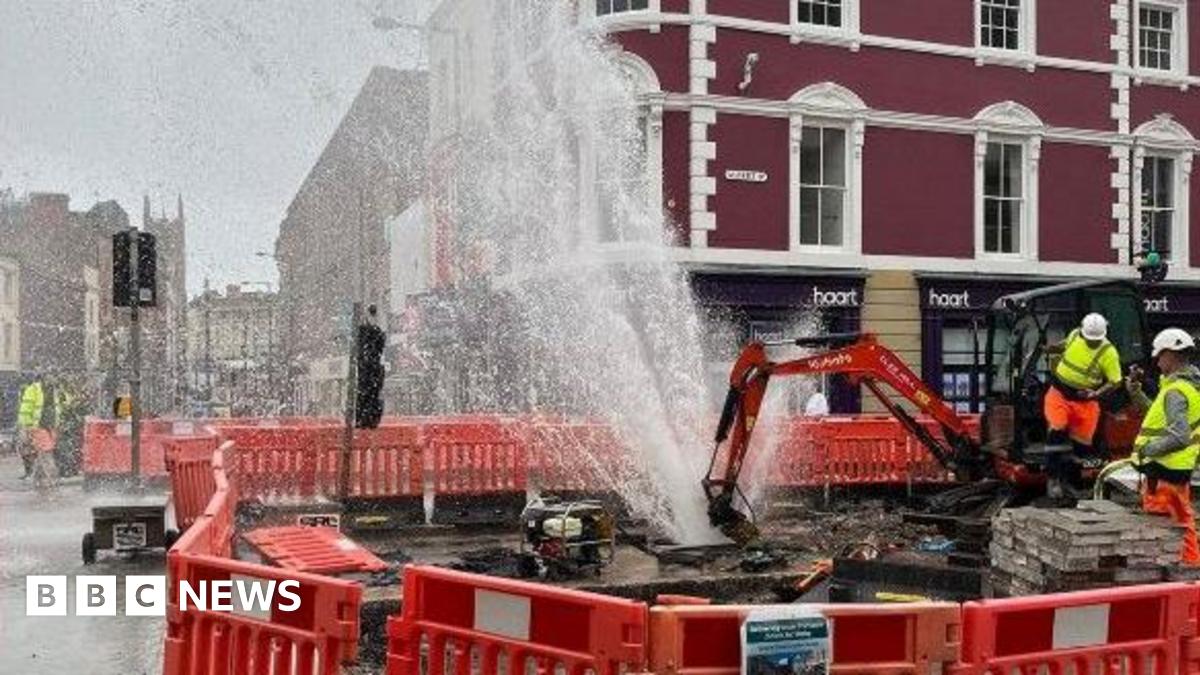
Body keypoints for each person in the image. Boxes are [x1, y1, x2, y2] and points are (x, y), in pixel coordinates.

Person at [1129, 328, 1200, 565]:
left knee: (1173, 528)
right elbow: (1158, 417)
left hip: (1165, 473)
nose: (1157, 363)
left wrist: (1146, 450)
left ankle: (1188, 573)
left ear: (1170, 354)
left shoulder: (1176, 391)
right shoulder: (1183, 386)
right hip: (1172, 471)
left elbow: (1179, 436)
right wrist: (1136, 393)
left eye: (1159, 357)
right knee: (1179, 525)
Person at [1042, 313, 1123, 497]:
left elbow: (1115, 381)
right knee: (1057, 428)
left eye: (1096, 340)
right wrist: (1050, 348)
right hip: (1060, 393)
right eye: (1089, 339)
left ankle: (1070, 482)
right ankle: (1053, 477)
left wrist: (1096, 393)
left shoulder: (1108, 352)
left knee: (1082, 445)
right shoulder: (1074, 335)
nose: (1092, 342)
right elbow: (1064, 345)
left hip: (1086, 400)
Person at [15, 372, 44, 480]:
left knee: (32, 450)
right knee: (25, 450)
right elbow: (24, 408)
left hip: (31, 425)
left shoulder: (35, 390)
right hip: (25, 424)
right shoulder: (26, 390)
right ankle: (30, 471)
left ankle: (33, 472)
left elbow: (35, 408)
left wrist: (34, 424)